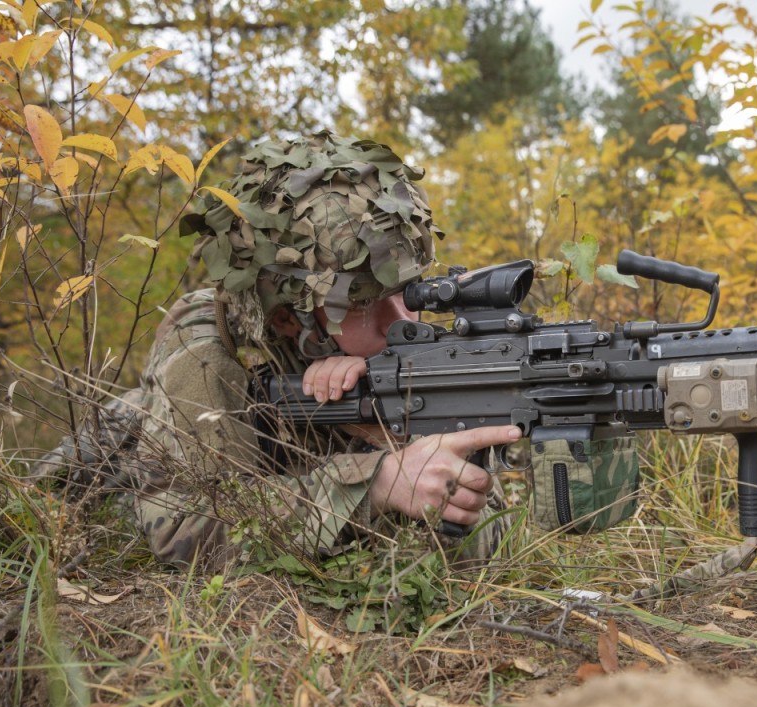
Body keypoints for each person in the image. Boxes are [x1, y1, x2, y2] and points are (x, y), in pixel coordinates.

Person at [34, 133, 521, 569]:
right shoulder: (207, 350)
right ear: (289, 318)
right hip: (97, 499)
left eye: (409, 292)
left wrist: (388, 434)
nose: (401, 322)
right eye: (361, 305)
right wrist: (376, 483)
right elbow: (184, 528)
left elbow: (481, 543)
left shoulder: (403, 355)